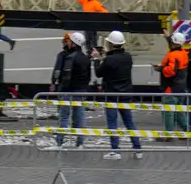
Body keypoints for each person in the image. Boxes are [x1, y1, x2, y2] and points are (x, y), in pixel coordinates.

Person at [98, 31, 142, 160]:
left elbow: (99, 73)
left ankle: (115, 150)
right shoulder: (127, 57)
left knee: (112, 123)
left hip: (112, 94)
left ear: (111, 44)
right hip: (126, 94)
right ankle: (138, 148)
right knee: (129, 122)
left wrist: (97, 59)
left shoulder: (109, 59)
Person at [52, 32, 90, 148]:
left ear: (73, 43)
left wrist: (58, 85)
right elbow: (88, 77)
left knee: (64, 116)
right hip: (81, 90)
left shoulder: (68, 57)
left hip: (68, 90)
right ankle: (80, 142)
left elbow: (64, 74)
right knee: (80, 115)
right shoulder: (85, 58)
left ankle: (59, 141)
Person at [159, 33, 189, 136]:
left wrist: (161, 69)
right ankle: (187, 130)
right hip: (181, 87)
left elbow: (171, 71)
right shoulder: (184, 53)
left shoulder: (173, 55)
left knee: (168, 112)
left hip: (171, 88)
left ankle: (169, 134)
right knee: (179, 111)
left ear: (174, 43)